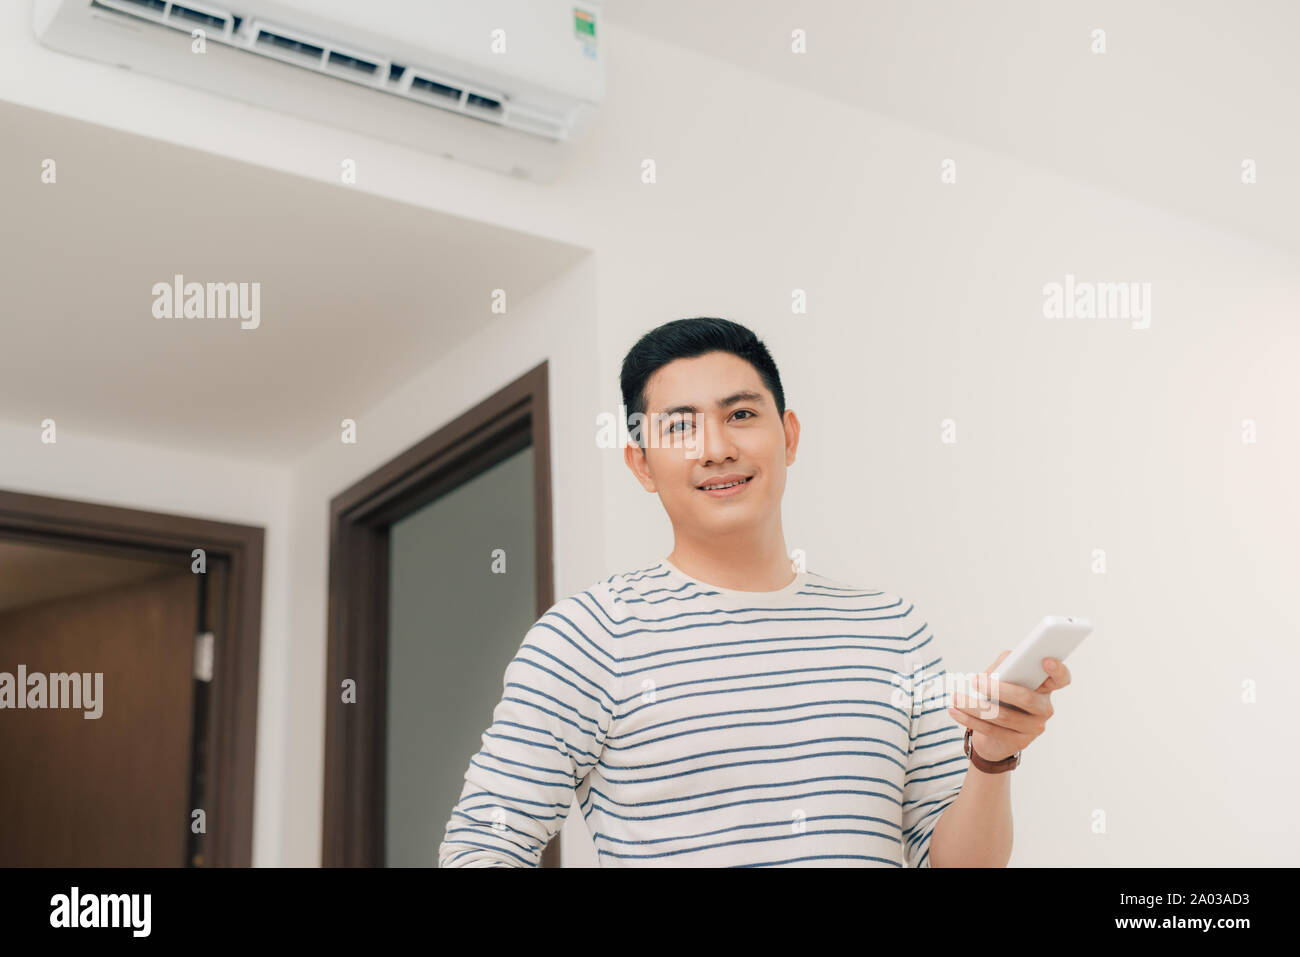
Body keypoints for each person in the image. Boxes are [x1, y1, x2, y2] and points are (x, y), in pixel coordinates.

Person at [438, 316, 1068, 867]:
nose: (716, 448)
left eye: (740, 415)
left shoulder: (890, 627)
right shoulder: (587, 636)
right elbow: (481, 850)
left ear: (788, 436)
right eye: (680, 427)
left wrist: (990, 759)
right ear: (641, 466)